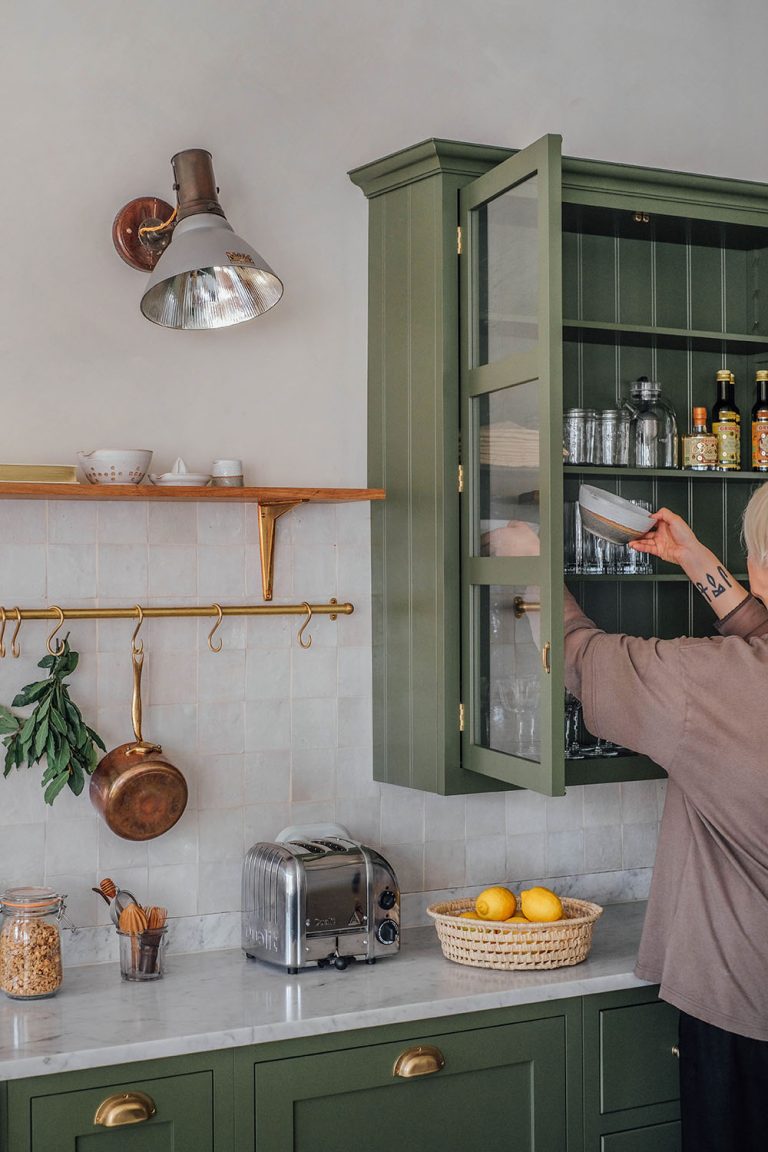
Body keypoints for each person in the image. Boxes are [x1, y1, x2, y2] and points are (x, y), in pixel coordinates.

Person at [562, 488, 768, 1152]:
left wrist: (529, 567)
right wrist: (697, 562)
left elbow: (583, 660)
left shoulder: (709, 684)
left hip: (746, 1006)